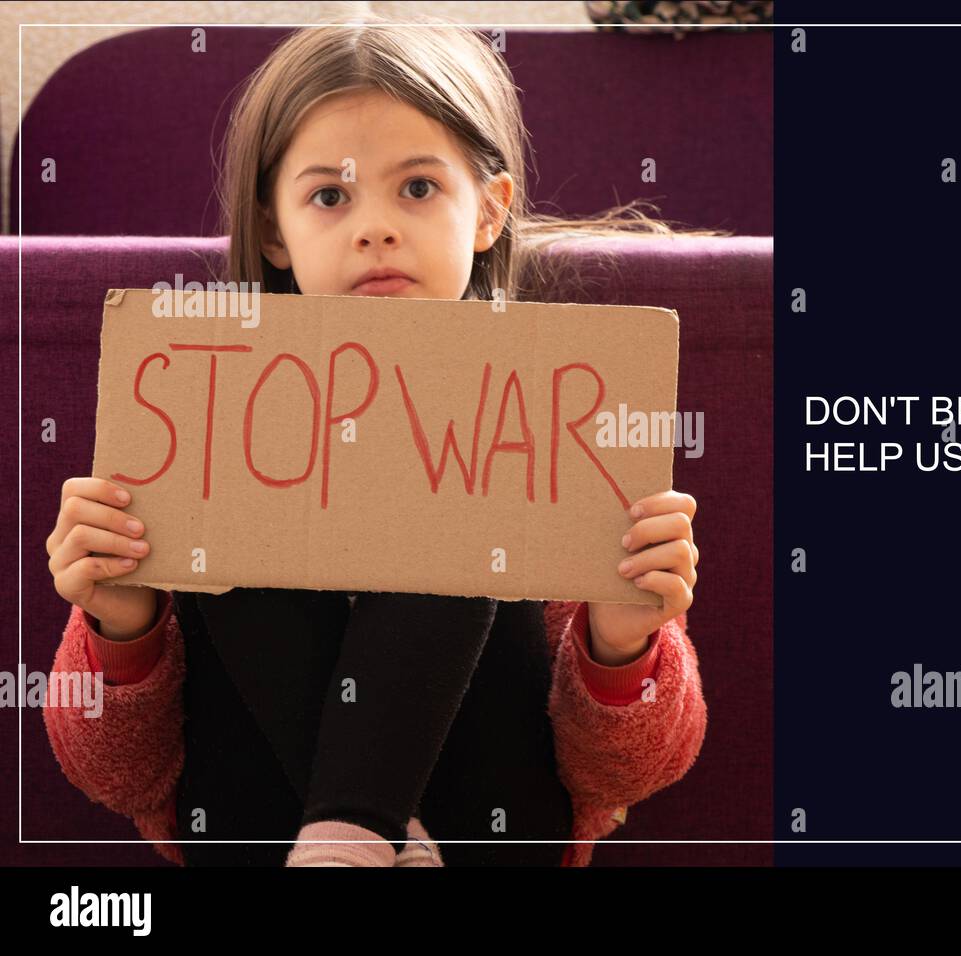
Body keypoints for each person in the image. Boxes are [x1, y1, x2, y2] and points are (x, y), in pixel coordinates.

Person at [42, 13, 714, 866]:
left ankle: (355, 833)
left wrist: (620, 645)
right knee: (231, 500)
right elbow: (116, 775)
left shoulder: (551, 429)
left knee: (476, 498)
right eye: (330, 195)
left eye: (419, 188)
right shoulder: (193, 417)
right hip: (252, 830)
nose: (374, 228)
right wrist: (122, 631)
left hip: (490, 825)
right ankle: (352, 837)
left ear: (490, 211)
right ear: (276, 230)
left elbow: (631, 772)